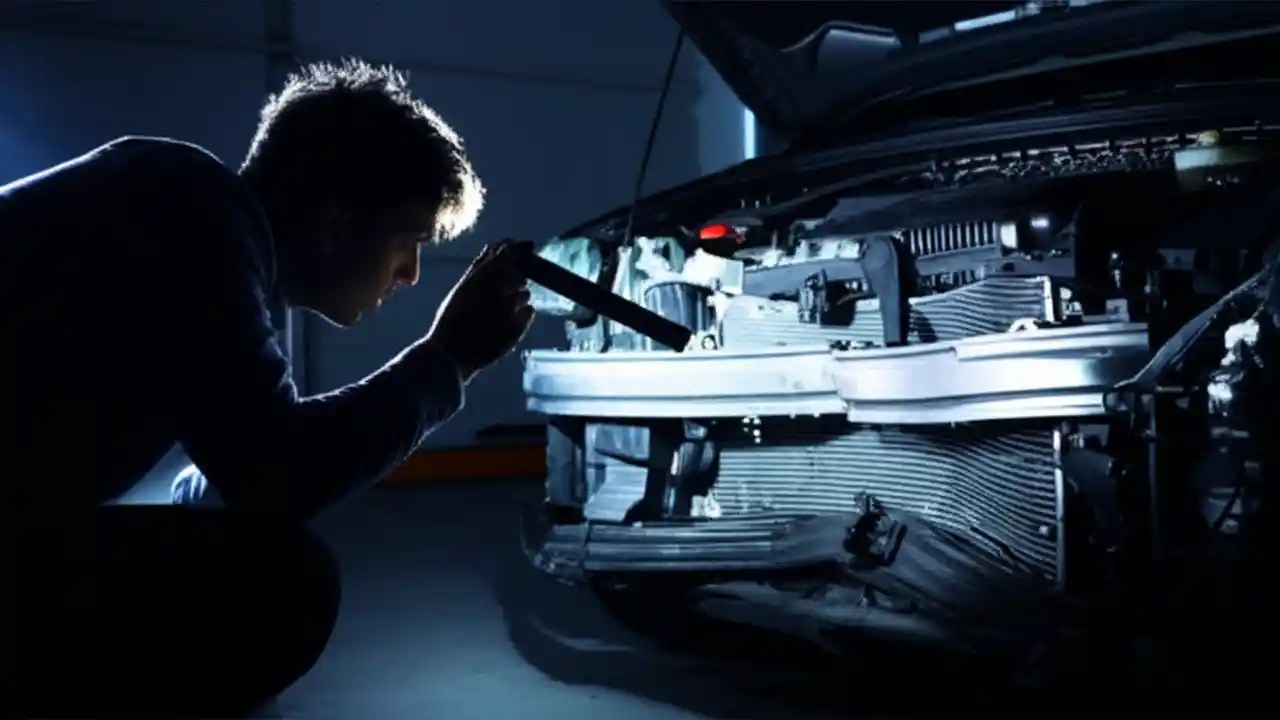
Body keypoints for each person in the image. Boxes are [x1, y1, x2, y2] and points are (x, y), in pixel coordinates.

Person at [1, 59, 533, 717]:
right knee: (279, 585)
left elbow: (239, 457)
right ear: (338, 223)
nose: (413, 275)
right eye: (408, 242)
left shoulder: (191, 210)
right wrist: (449, 358)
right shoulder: (193, 216)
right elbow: (278, 471)